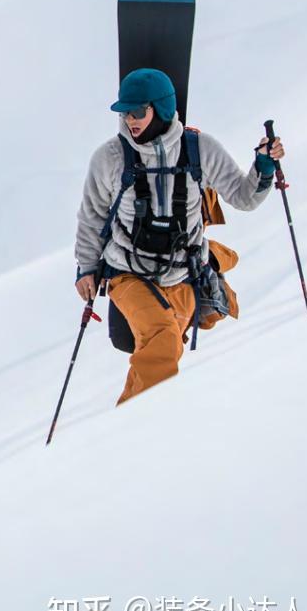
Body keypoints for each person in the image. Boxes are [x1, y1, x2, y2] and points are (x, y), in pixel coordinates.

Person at [74, 68, 284, 404]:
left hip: (184, 273)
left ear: (162, 108)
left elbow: (245, 197)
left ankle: (126, 428)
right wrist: (86, 268)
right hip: (128, 273)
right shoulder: (110, 159)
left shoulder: (200, 149)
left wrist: (264, 166)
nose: (131, 120)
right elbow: (92, 217)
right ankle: (135, 431)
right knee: (162, 340)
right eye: (126, 112)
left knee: (165, 348)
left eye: (138, 111)